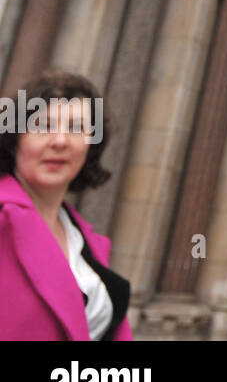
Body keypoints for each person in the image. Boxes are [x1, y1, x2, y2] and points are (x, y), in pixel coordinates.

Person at [0, 69, 132, 341]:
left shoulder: (87, 240)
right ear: (15, 140)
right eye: (43, 126)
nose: (60, 141)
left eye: (75, 128)